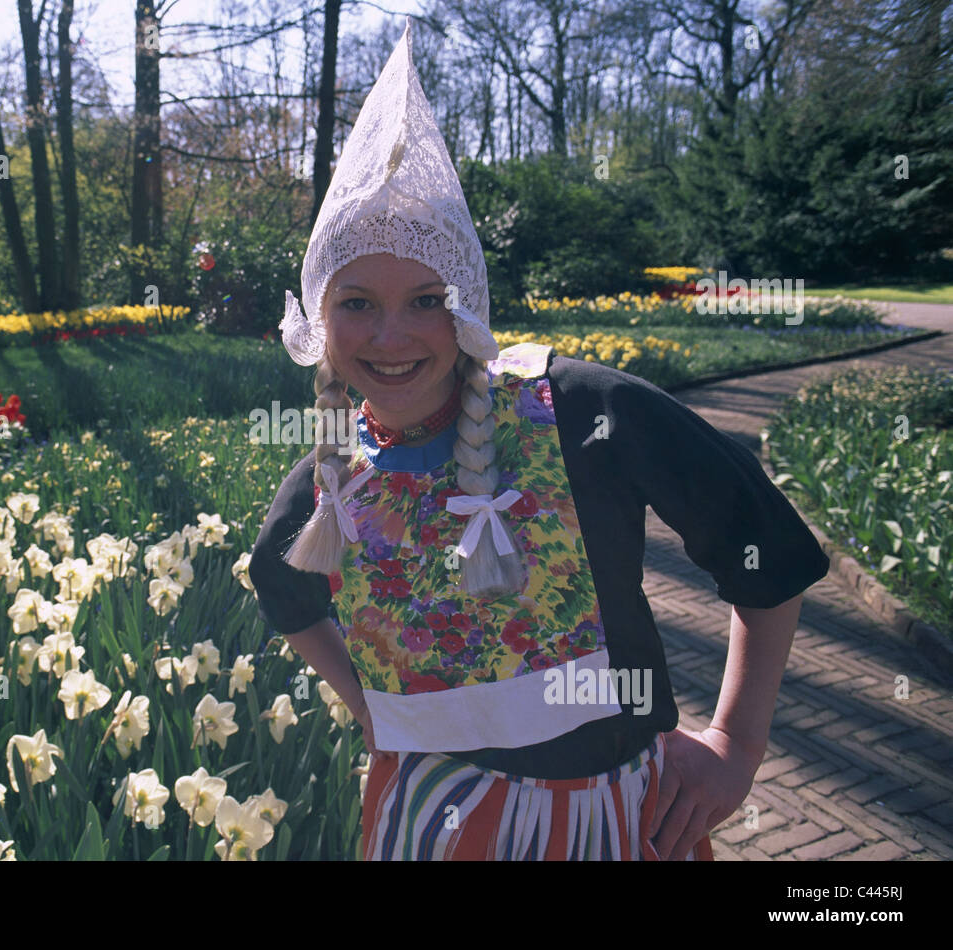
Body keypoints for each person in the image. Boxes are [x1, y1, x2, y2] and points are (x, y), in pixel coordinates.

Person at [248, 18, 829, 861]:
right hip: (431, 823)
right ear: (318, 322)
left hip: (618, 820)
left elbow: (762, 546)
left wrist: (737, 745)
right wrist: (372, 711)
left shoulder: (582, 412)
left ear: (470, 304)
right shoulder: (334, 474)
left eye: (426, 298)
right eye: (357, 303)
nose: (391, 336)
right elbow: (283, 590)